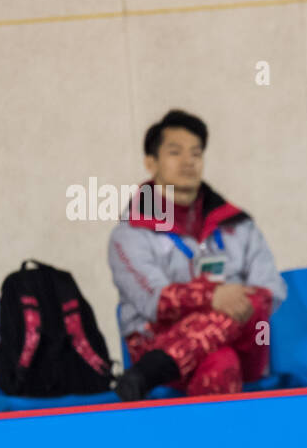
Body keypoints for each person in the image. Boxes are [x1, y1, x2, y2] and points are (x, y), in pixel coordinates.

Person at [109, 109, 286, 399]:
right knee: (220, 361)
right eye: (175, 152)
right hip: (157, 340)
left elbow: (272, 291)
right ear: (150, 162)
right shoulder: (130, 234)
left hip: (244, 344)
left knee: (255, 299)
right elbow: (153, 301)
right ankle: (218, 446)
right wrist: (212, 298)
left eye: (196, 153)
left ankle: (154, 369)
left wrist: (224, 303)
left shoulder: (238, 225)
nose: (189, 161)